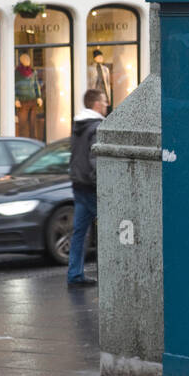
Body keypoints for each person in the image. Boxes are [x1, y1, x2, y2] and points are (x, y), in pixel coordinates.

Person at [67, 88, 108, 287]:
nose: (107, 104)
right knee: (109, 230)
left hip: (78, 183)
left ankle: (75, 274)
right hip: (92, 186)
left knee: (79, 232)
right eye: (104, 100)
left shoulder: (77, 125)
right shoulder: (97, 127)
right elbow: (95, 159)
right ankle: (109, 274)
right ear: (96, 104)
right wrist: (101, 183)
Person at [14, 51, 43, 140]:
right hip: (22, 102)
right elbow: (13, 86)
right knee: (22, 125)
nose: (28, 60)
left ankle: (33, 142)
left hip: (32, 101)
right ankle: (23, 143)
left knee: (33, 124)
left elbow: (36, 85)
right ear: (21, 60)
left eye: (28, 58)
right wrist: (16, 99)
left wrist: (38, 97)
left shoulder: (32, 72)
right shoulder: (17, 73)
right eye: (26, 59)